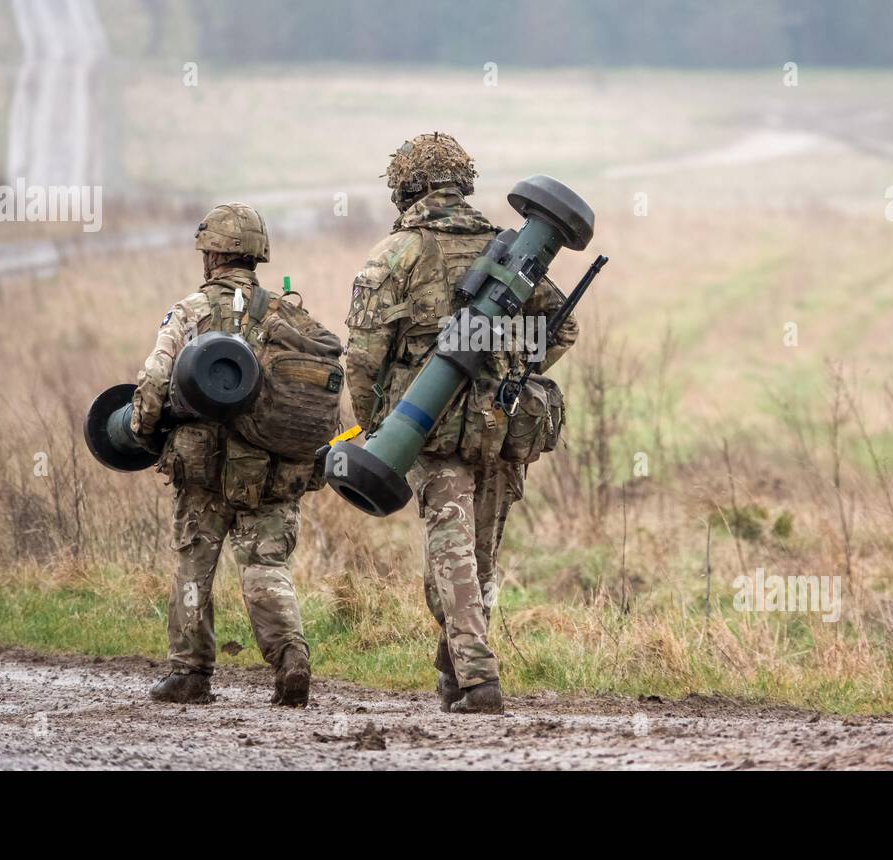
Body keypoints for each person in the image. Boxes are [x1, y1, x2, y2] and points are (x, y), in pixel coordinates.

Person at [343, 133, 578, 714]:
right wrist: (513, 364)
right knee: (480, 554)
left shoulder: (393, 254)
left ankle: (476, 678)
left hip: (427, 427)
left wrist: (377, 427)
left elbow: (362, 357)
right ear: (463, 182)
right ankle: (457, 672)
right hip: (500, 421)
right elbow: (561, 328)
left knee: (450, 553)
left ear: (404, 187)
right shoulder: (508, 248)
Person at [131, 203, 341, 706]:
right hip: (275, 468)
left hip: (206, 469)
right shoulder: (291, 314)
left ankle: (189, 673)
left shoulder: (191, 312)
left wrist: (142, 430)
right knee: (266, 565)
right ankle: (291, 656)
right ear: (256, 255)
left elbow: (155, 382)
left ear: (213, 255)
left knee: (194, 565)